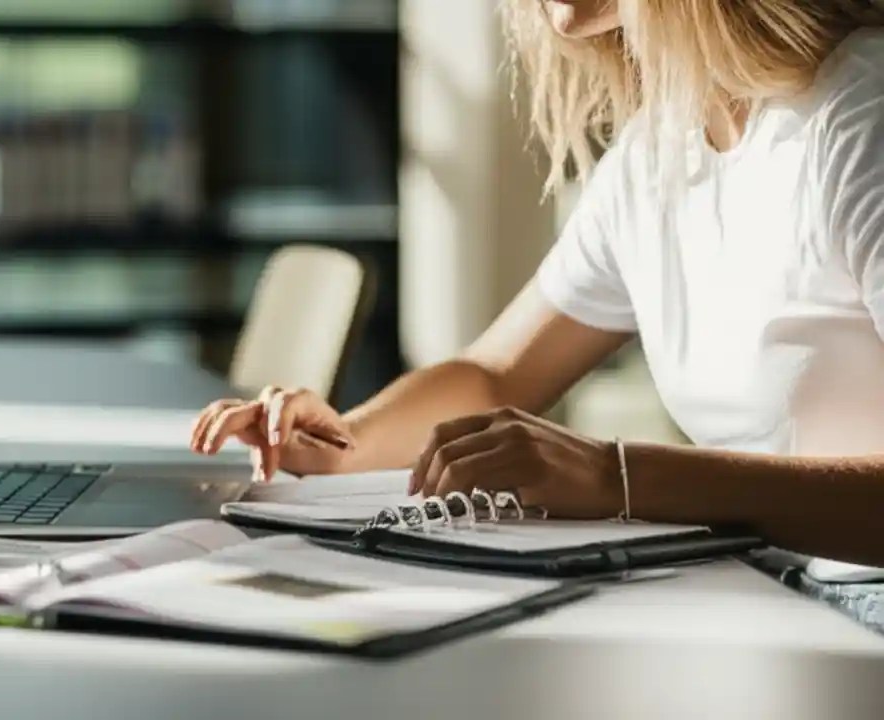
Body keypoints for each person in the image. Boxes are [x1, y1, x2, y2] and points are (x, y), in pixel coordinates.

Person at [190, 0, 884, 572]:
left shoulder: (862, 117)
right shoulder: (657, 151)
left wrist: (618, 479)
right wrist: (346, 441)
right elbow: (497, 376)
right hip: (761, 596)